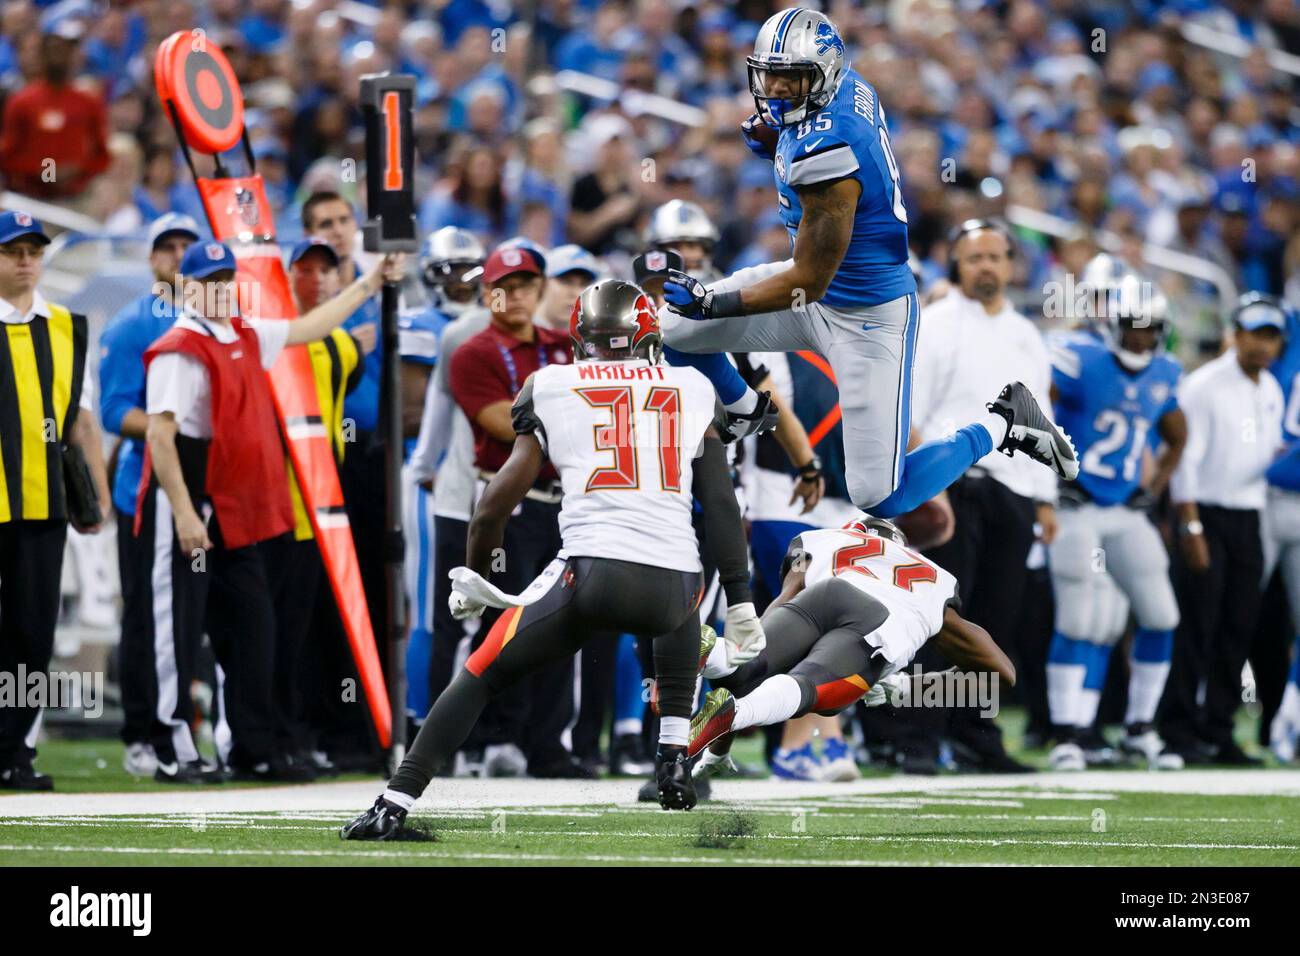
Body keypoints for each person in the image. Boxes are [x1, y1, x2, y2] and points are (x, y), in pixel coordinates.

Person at [341, 279, 763, 839]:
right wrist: (740, 600)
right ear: (649, 336)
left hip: (588, 575)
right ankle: (671, 759)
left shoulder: (552, 385)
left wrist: (472, 574)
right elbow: (722, 505)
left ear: (581, 337)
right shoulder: (690, 386)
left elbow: (492, 506)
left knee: (480, 674)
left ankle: (393, 805)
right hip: (674, 587)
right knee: (680, 601)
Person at [657, 10, 1077, 519]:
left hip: (866, 317)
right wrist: (778, 143)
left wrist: (712, 301)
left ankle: (1004, 424)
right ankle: (746, 410)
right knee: (674, 330)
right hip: (818, 288)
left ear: (822, 74)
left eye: (791, 78)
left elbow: (808, 280)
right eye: (771, 74)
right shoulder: (845, 87)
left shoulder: (829, 149)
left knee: (879, 496)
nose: (777, 89)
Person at [137, 240, 401, 782]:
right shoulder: (179, 348)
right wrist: (186, 513)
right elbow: (161, 438)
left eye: (223, 279)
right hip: (193, 498)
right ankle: (171, 745)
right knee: (178, 629)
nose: (217, 290)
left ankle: (253, 747)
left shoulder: (246, 333)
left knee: (255, 631)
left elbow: (310, 327)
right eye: (206, 281)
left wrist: (369, 284)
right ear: (186, 287)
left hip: (237, 512)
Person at [688, 514, 1015, 768]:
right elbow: (1001, 674)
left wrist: (746, 656)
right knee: (818, 693)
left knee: (752, 661)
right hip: (877, 620)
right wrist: (909, 688)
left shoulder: (818, 541)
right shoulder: (934, 578)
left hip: (826, 593)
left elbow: (784, 601)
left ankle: (714, 650)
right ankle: (738, 713)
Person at [445, 242, 587, 778]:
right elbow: (505, 425)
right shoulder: (474, 352)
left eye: (528, 285)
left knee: (568, 622)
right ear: (488, 294)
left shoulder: (562, 345)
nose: (518, 296)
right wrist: (573, 422)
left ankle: (549, 747)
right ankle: (487, 740)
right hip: (510, 506)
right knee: (501, 623)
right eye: (506, 287)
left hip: (565, 505)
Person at [1046, 272, 1186, 770]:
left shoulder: (1166, 371)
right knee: (1081, 617)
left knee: (1161, 615)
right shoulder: (1079, 360)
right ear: (1112, 324)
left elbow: (1177, 433)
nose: (1142, 337)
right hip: (1077, 505)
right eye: (1134, 327)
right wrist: (1048, 472)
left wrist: (1154, 488)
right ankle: (1067, 734)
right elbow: (1033, 403)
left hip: (1125, 509)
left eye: (1151, 329)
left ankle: (1139, 727)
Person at [0, 211, 111, 791]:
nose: (25, 261)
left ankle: (17, 748)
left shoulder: (70, 328)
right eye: (13, 251)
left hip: (42, 505)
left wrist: (95, 495)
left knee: (32, 633)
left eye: (33, 251)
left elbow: (82, 420)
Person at [260, 237, 374, 777]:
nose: (317, 279)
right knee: (275, 631)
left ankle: (304, 734)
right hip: (277, 505)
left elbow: (347, 381)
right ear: (287, 277)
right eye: (305, 270)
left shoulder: (342, 347)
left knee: (310, 628)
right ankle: (272, 735)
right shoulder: (277, 335)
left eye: (326, 271)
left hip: (322, 507)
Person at [1163, 293, 1287, 765]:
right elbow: (1185, 460)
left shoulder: (1271, 389)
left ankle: (1218, 728)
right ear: (1235, 334)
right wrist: (1189, 524)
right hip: (1205, 513)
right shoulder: (1204, 385)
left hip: (1249, 515)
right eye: (1254, 333)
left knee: (1238, 624)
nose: (1261, 344)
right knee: (1198, 622)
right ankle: (1178, 728)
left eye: (1270, 336)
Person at [98, 211, 201, 778]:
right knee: (147, 614)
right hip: (145, 489)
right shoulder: (134, 323)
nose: (181, 256)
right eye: (170, 246)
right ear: (152, 258)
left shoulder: (215, 318)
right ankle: (143, 732)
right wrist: (171, 424)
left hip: (204, 487)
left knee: (187, 617)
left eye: (190, 245)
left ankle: (182, 727)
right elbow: (113, 410)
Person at [0, 22, 109, 205]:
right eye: (52, 50)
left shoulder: (87, 103)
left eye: (64, 50)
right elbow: (8, 154)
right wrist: (41, 171)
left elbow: (102, 155)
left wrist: (77, 169)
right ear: (41, 56)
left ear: (73, 56)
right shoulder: (21, 102)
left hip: (75, 200)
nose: (58, 57)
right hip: (30, 199)